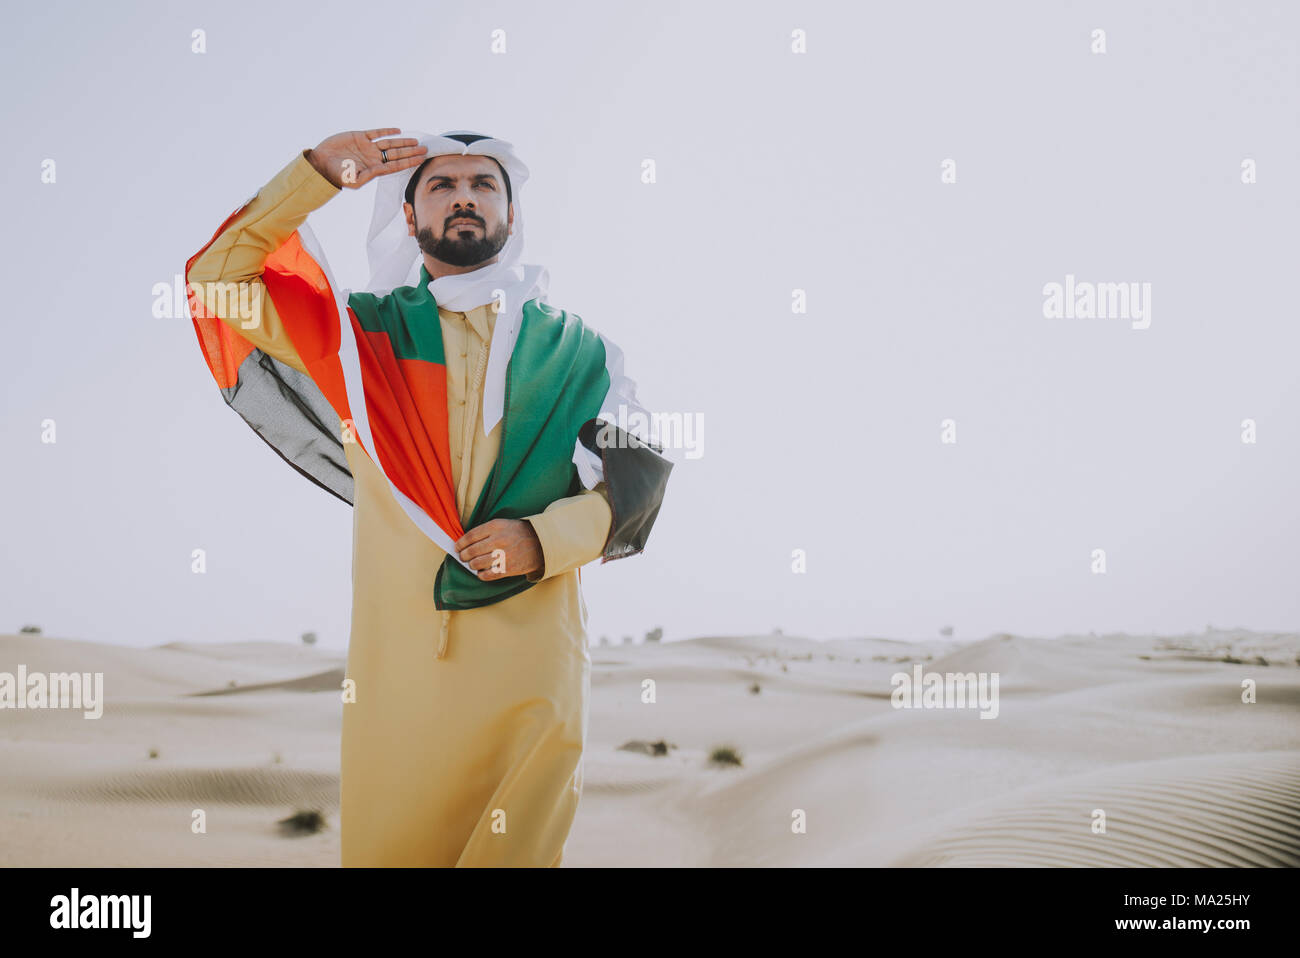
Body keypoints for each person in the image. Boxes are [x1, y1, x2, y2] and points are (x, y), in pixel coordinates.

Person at [184, 128, 672, 867]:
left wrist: (542, 540)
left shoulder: (582, 351)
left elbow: (637, 487)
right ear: (407, 218)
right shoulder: (360, 339)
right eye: (441, 185)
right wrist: (315, 175)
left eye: (484, 184)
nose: (464, 198)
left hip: (533, 669)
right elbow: (217, 278)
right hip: (399, 672)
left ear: (511, 212)